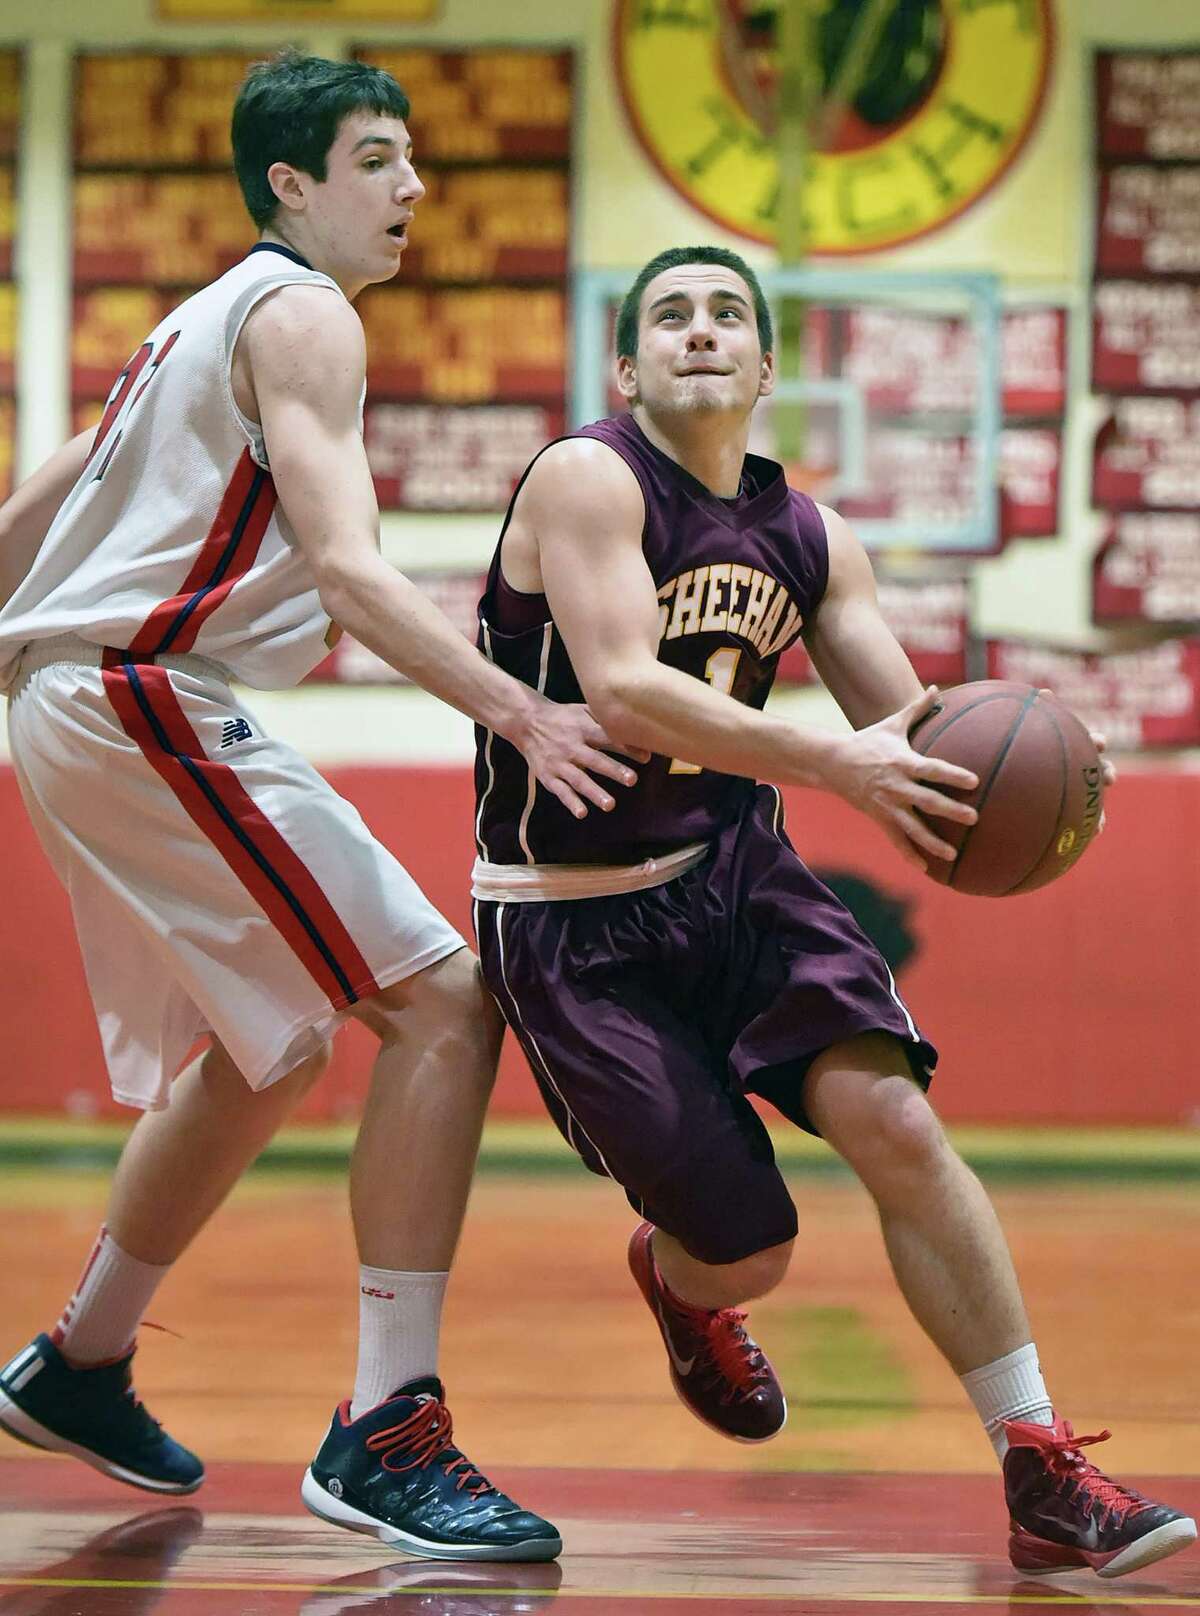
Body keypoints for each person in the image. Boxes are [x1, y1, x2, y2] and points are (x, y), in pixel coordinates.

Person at [0, 51, 642, 1563]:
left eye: (412, 158)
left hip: (83, 698)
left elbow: (51, 491)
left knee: (266, 1044)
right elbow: (349, 570)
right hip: (137, 694)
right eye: (376, 160)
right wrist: (520, 711)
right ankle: (385, 1429)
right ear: (290, 183)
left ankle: (81, 1363)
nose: (413, 186)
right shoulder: (303, 314)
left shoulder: (194, 320)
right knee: (442, 1007)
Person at [470, 244, 1197, 1580]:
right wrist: (835, 763)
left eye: (727, 315)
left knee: (900, 1123)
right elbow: (624, 689)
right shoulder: (587, 478)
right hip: (573, 921)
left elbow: (904, 729)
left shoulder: (809, 536)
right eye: (670, 316)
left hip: (734, 874)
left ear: (765, 368)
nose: (701, 331)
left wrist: (1026, 763)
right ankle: (685, 1286)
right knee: (748, 1253)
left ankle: (1040, 1461)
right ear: (626, 367)